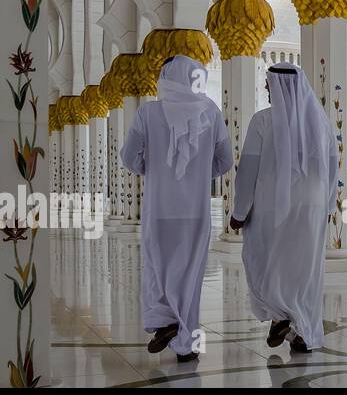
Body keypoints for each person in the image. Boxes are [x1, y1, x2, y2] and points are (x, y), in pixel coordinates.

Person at [120, 55, 231, 362]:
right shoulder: (210, 112)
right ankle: (186, 342)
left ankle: (164, 319)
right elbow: (226, 160)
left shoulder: (148, 111)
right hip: (195, 211)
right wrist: (196, 176)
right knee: (191, 276)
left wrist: (153, 170)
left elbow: (128, 156)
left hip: (159, 208)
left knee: (157, 267)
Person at [230, 64, 334, 354]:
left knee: (268, 262)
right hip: (312, 206)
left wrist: (239, 212)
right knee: (306, 270)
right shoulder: (321, 121)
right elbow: (334, 169)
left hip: (272, 206)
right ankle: (303, 333)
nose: (265, 89)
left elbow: (247, 171)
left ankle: (279, 316)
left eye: (267, 84)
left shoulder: (263, 121)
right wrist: (327, 205)